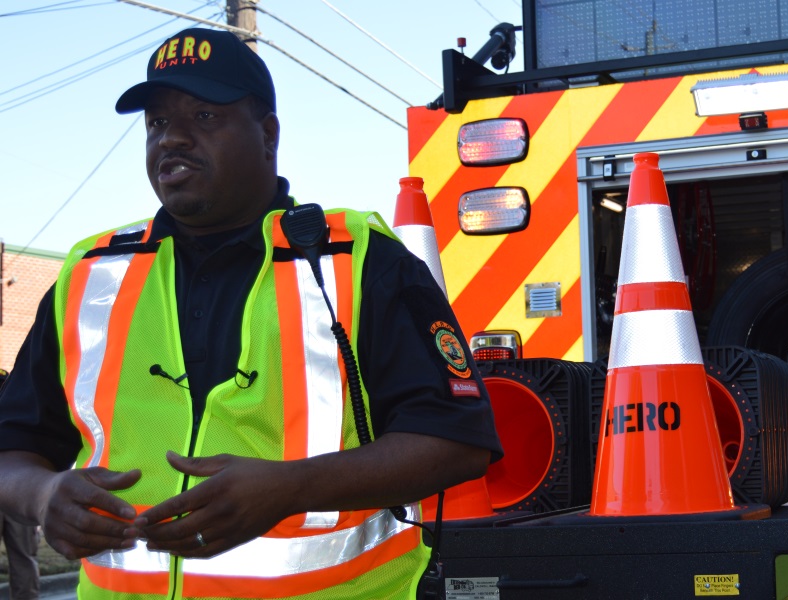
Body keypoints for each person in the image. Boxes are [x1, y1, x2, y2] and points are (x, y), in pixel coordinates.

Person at [0, 28, 501, 599]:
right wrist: (43, 496)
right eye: (158, 123)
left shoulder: (360, 263)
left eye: (205, 117)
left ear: (267, 135)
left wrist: (291, 488)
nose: (173, 139)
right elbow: (13, 447)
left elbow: (459, 441)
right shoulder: (89, 276)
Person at [0, 369, 41, 600]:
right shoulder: (19, 393)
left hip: (18, 487)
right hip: (19, 483)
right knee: (25, 559)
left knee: (25, 559)